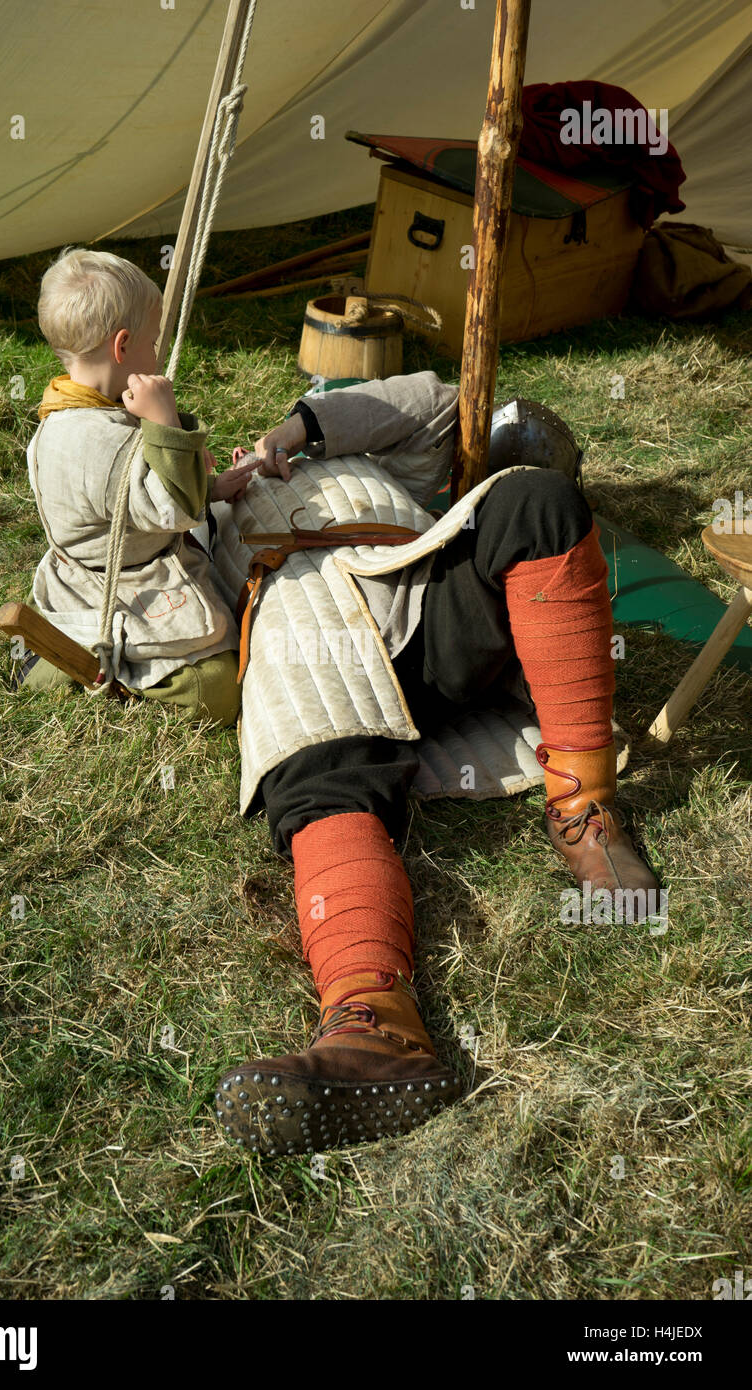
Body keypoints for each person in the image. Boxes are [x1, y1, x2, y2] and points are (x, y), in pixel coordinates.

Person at [208, 371, 659, 1157]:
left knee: (535, 499)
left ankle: (586, 813)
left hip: (418, 591)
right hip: (307, 647)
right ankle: (374, 1025)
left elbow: (441, 404)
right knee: (311, 769)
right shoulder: (204, 525)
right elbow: (154, 600)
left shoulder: (377, 460)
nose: (245, 453)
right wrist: (205, 495)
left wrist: (302, 429)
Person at [20, 246, 253, 724]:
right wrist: (166, 421)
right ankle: (102, 673)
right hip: (127, 586)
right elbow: (174, 510)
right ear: (122, 346)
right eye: (152, 344)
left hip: (78, 573)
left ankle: (50, 654)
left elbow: (129, 501)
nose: (157, 356)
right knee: (221, 691)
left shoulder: (63, 412)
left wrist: (210, 487)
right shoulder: (101, 443)